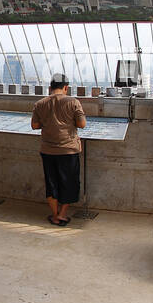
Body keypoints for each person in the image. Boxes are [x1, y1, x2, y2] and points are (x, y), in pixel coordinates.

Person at [30, 76, 88, 225]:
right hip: (69, 150)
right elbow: (82, 124)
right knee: (69, 182)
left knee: (52, 183)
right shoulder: (73, 102)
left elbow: (35, 125)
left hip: (48, 150)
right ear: (66, 87)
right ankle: (62, 214)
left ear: (50, 87)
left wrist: (48, 123)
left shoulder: (40, 104)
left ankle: (54, 215)